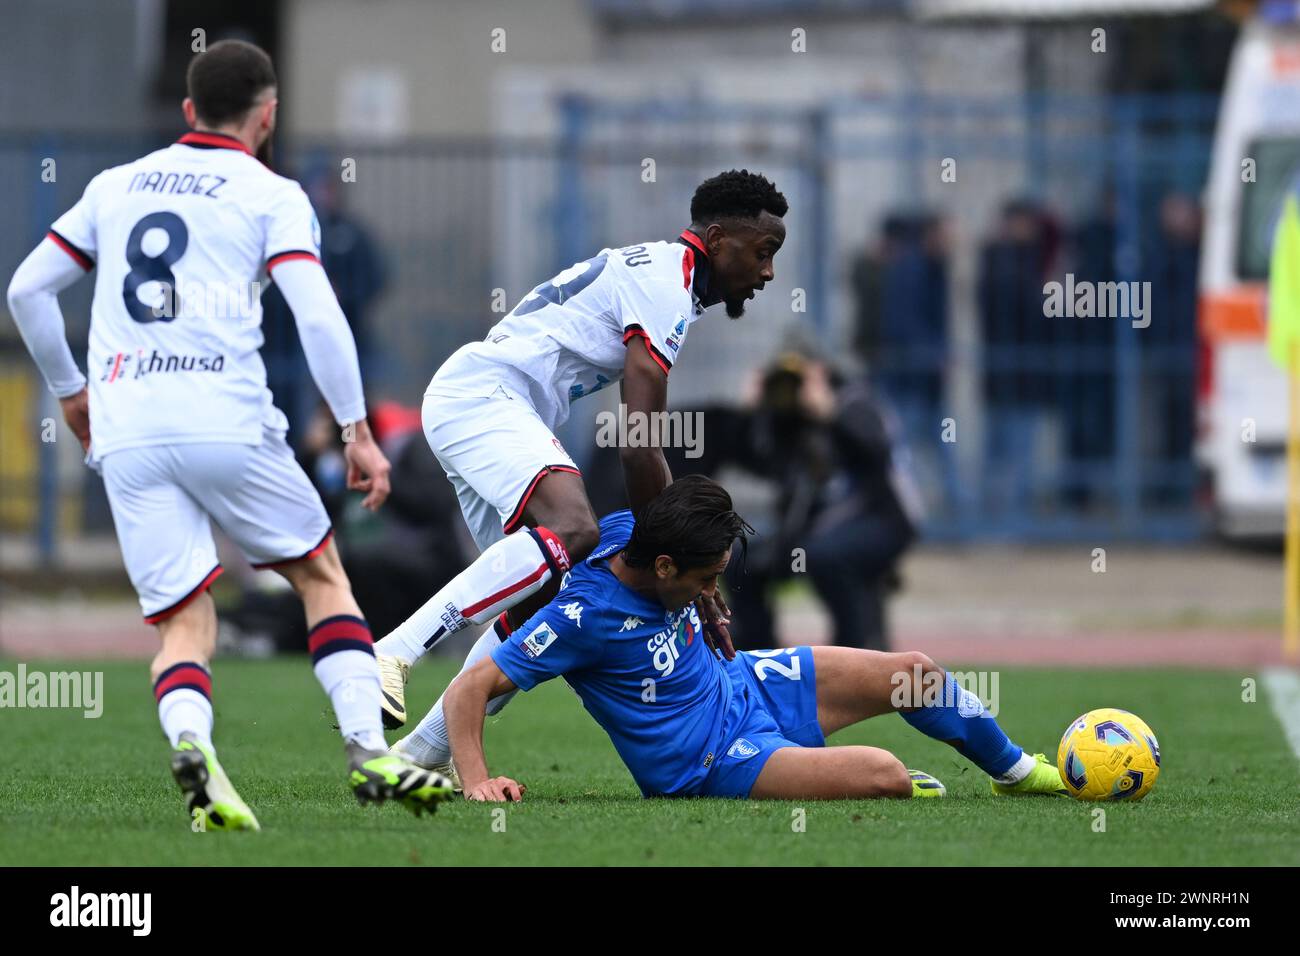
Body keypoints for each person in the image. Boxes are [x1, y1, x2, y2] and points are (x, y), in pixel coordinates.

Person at [5, 39, 452, 829]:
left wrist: (73, 395)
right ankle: (367, 752)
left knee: (187, 617)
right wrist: (357, 430)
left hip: (129, 428)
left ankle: (194, 748)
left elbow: (28, 289)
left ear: (187, 111)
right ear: (268, 115)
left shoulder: (113, 186)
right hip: (225, 421)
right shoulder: (271, 193)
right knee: (320, 577)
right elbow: (318, 313)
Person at [375, 171, 789, 780]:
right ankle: (393, 651)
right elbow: (639, 445)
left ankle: (419, 757)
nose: (768, 273)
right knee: (574, 529)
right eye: (763, 252)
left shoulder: (666, 278)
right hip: (485, 395)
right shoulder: (669, 282)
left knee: (550, 595)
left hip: (488, 402)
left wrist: (686, 568)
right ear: (718, 238)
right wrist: (685, 559)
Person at [440, 476, 1067, 802]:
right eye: (707, 579)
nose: (714, 589)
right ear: (663, 568)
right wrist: (476, 781)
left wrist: (704, 595)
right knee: (888, 776)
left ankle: (1017, 773)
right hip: (708, 761)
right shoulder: (583, 617)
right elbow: (469, 688)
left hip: (748, 684)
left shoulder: (637, 527)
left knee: (917, 674)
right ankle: (856, 778)